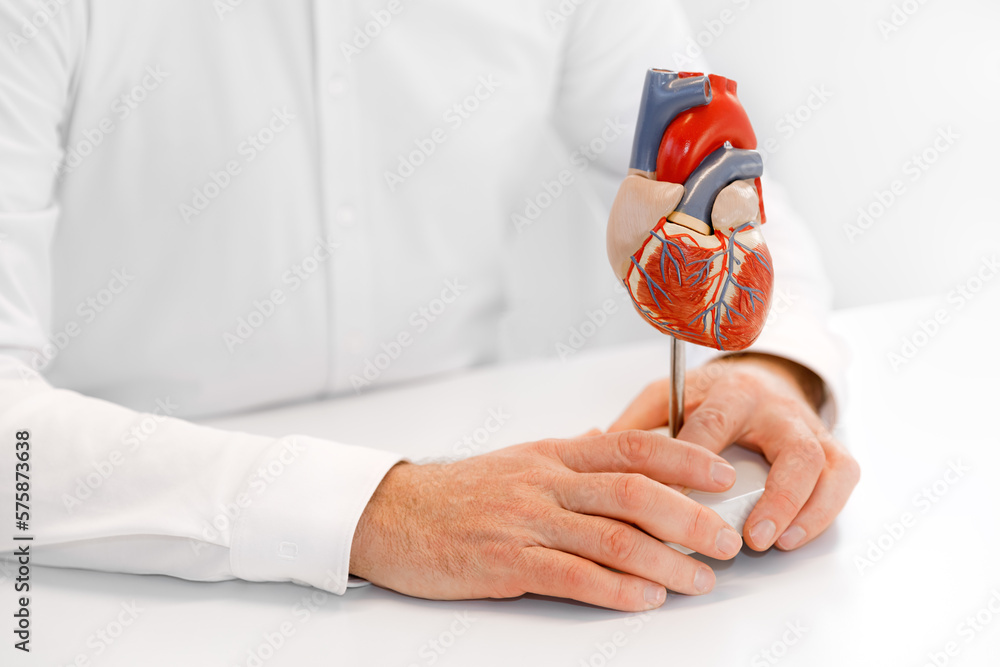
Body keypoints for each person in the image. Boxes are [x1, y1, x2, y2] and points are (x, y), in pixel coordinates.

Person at [0, 0, 858, 612]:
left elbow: (721, 173)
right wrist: (381, 511)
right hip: (102, 579)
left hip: (500, 566)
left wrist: (766, 370)